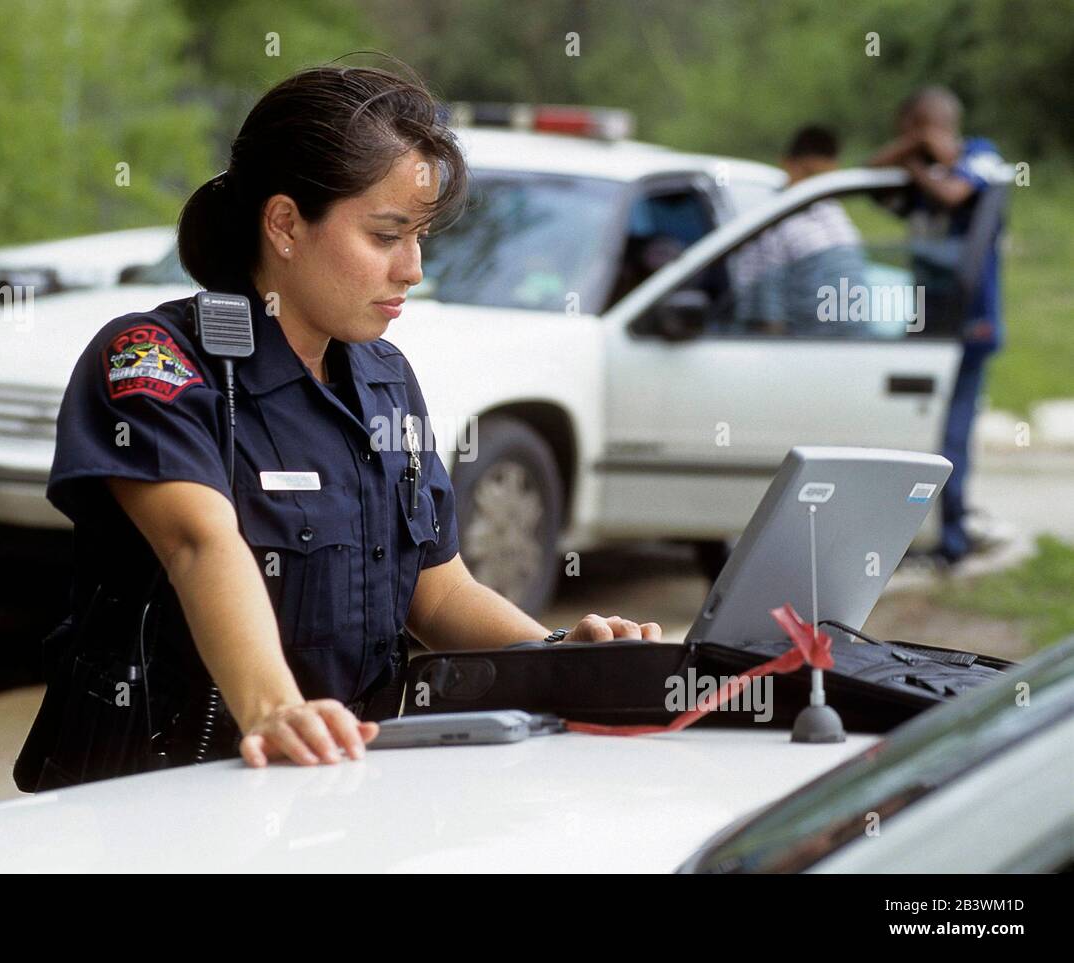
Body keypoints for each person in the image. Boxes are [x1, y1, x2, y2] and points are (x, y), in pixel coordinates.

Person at [45, 62, 662, 771]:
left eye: (420, 236)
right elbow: (197, 543)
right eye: (384, 235)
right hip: (156, 801)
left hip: (335, 784)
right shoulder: (155, 359)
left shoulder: (385, 379)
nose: (413, 269)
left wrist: (556, 659)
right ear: (284, 224)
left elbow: (439, 591)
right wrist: (276, 709)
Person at [869, 86, 1009, 566]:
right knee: (916, 434)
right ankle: (918, 537)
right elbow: (870, 178)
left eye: (911, 130)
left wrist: (921, 157)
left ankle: (952, 542)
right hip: (928, 321)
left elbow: (956, 192)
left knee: (952, 435)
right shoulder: (921, 178)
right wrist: (913, 155)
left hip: (972, 323)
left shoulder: (983, 157)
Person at [729, 125, 866, 334]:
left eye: (826, 179)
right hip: (804, 350)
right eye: (809, 174)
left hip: (851, 345)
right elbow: (766, 312)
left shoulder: (837, 215)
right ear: (787, 164)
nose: (818, 186)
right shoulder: (771, 223)